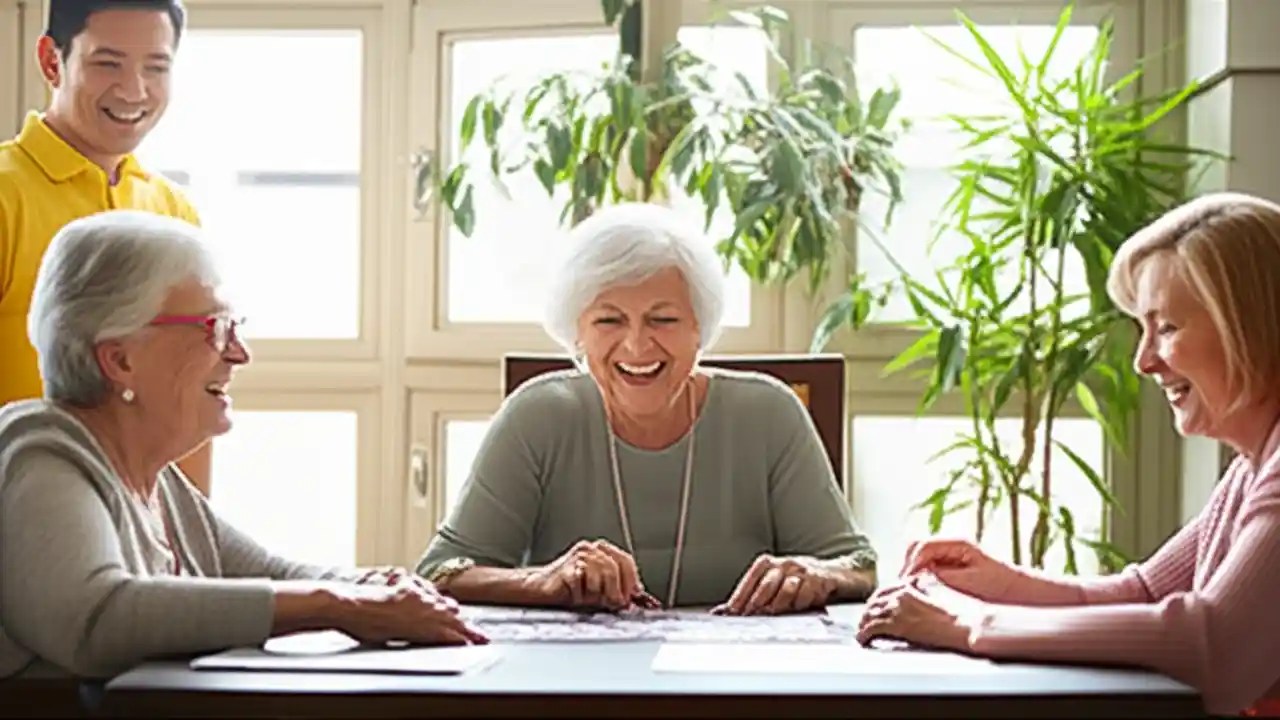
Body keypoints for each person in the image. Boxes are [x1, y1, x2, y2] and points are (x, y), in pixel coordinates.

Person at [0, 210, 487, 680]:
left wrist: (372, 586)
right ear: (121, 359)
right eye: (213, 329)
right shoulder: (41, 454)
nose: (240, 352)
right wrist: (338, 606)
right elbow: (97, 618)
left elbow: (270, 572)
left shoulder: (154, 481)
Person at [855, 192, 1280, 717]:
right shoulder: (1252, 468)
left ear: (1252, 328)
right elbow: (1143, 592)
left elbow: (1215, 648)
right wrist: (1001, 584)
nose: (1144, 361)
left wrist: (966, 623)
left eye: (1166, 328)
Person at [415, 202, 878, 614]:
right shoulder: (538, 416)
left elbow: (858, 568)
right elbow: (439, 573)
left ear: (701, 327)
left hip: (734, 695)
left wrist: (818, 573)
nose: (637, 345)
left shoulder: (770, 413)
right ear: (577, 332)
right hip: (570, 693)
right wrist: (544, 580)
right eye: (609, 320)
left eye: (663, 319)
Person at [0, 0, 215, 494]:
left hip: (140, 541)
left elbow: (195, 394)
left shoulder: (173, 210)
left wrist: (191, 559)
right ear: (52, 61)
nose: (134, 90)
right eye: (107, 63)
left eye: (156, 67)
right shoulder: (7, 194)